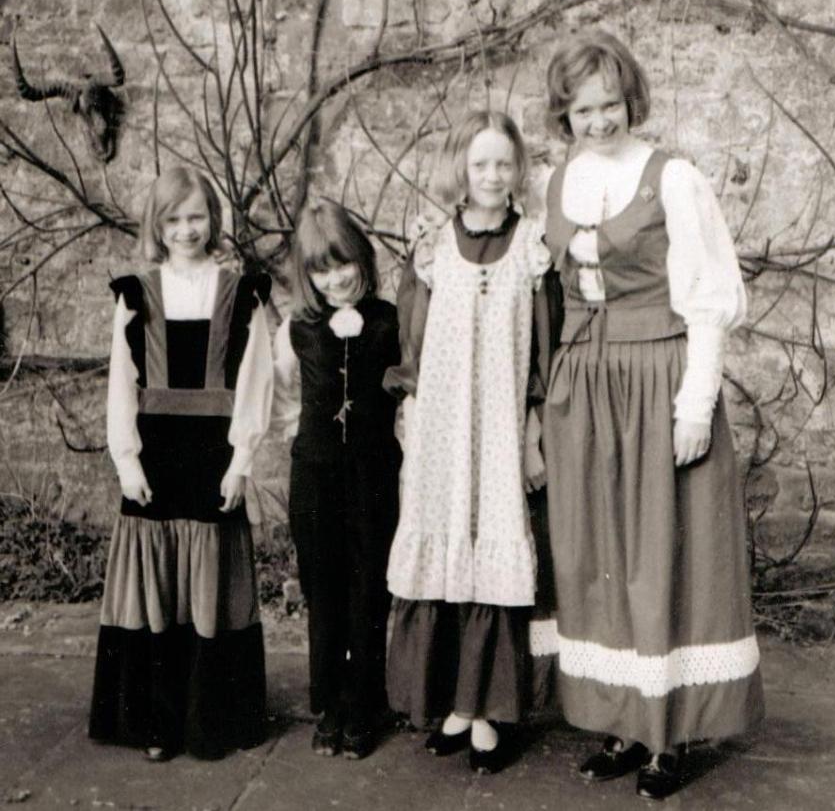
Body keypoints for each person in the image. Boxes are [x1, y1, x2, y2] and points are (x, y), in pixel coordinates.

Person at [532, 29, 764, 800]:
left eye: (610, 104)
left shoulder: (674, 179)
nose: (599, 120)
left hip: (658, 377)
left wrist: (695, 406)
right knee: (599, 550)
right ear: (564, 115)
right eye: (582, 109)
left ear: (631, 98)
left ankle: (672, 734)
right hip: (585, 388)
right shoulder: (557, 181)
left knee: (664, 552)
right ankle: (624, 722)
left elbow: (708, 303)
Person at [88, 167, 274, 762]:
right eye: (173, 219)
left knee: (208, 584)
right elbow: (122, 383)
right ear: (157, 225)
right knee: (158, 589)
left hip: (214, 456)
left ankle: (208, 720)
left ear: (212, 220)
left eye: (196, 217)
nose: (186, 229)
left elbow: (256, 382)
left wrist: (241, 461)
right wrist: (127, 462)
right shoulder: (136, 294)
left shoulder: (242, 293)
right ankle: (157, 722)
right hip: (156, 458)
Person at [385, 110, 550, 774]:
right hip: (443, 425)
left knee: (495, 545)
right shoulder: (431, 246)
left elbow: (543, 349)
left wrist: (535, 425)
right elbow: (411, 338)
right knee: (445, 537)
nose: (492, 175)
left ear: (518, 169)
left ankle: (490, 710)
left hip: (502, 424)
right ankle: (455, 703)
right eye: (480, 163)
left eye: (503, 163)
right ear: (461, 168)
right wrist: (410, 407)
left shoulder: (534, 247)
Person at [274, 200, 402, 760]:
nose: (336, 279)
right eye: (321, 270)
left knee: (369, 587)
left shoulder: (390, 321)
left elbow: (407, 391)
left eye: (343, 263)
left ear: (362, 258)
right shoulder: (296, 329)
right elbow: (281, 392)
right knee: (323, 587)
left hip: (373, 474)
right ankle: (329, 704)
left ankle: (365, 703)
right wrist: (299, 435)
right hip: (316, 476)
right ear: (307, 275)